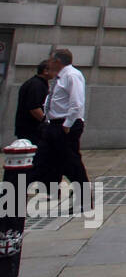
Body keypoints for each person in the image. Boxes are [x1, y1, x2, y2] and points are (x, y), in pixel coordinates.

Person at [35, 48, 91, 196]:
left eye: (51, 60)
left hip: (65, 125)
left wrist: (67, 125)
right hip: (53, 125)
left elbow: (76, 102)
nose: (49, 63)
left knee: (71, 162)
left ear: (57, 61)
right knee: (42, 158)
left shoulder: (72, 75)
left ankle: (83, 196)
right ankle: (19, 192)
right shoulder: (60, 77)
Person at [14, 59, 54, 146]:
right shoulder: (36, 85)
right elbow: (34, 108)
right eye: (54, 69)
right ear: (45, 71)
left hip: (32, 129)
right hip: (31, 129)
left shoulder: (39, 83)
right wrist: (46, 123)